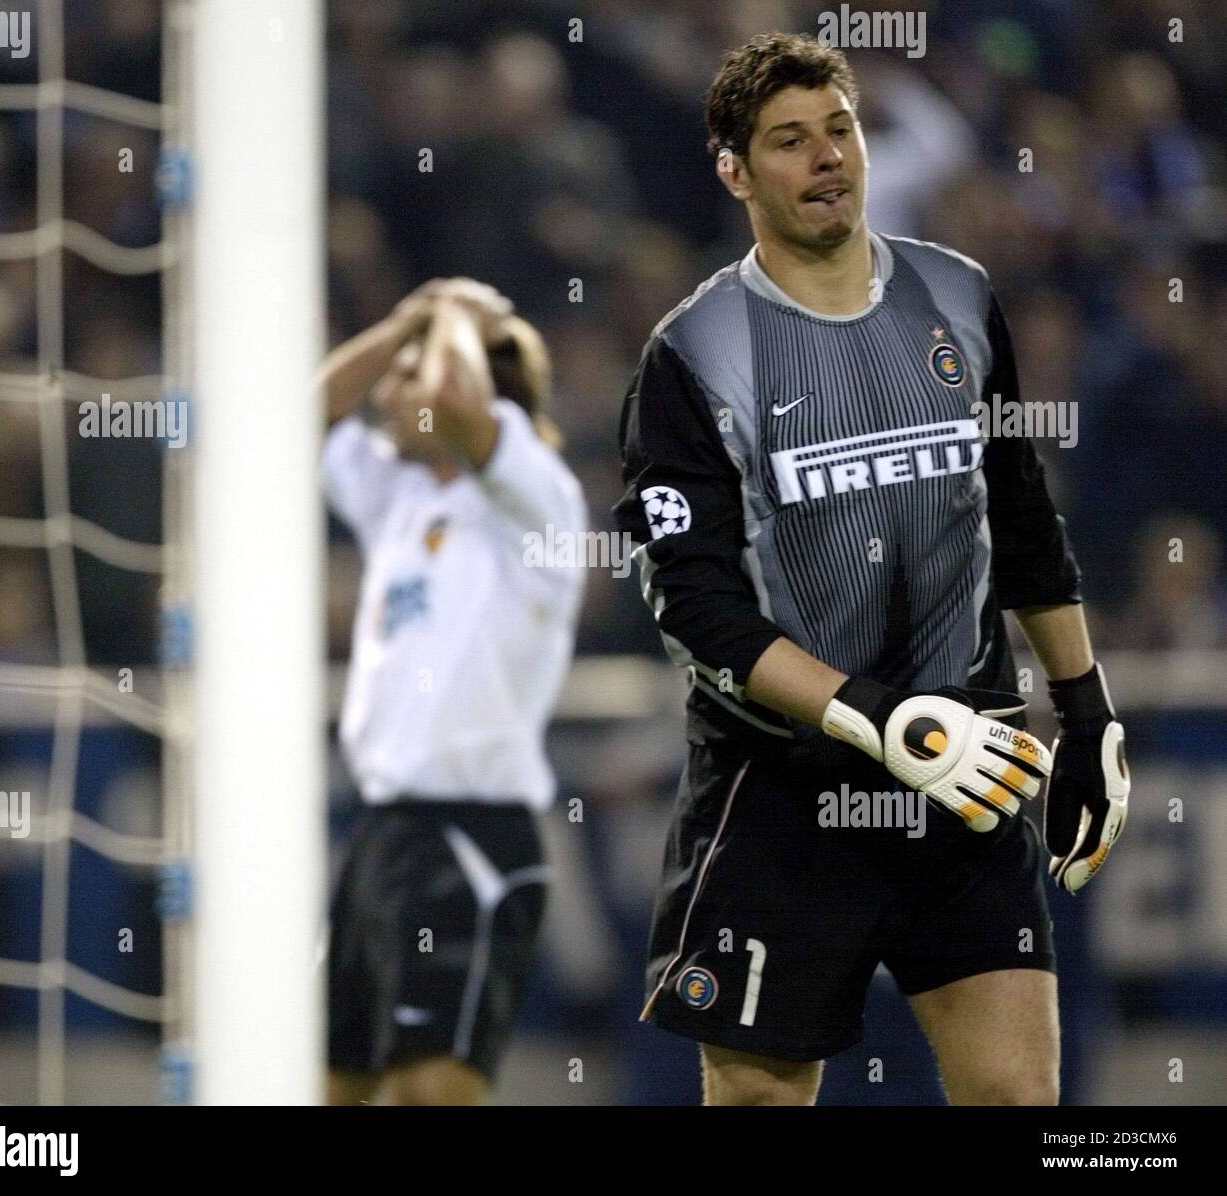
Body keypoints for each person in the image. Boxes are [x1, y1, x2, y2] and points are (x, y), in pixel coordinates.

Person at [615, 33, 1129, 1107]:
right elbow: (697, 608)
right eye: (789, 141)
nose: (826, 159)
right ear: (734, 170)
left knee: (1017, 1093)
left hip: (968, 760)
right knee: (760, 1095)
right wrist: (874, 717)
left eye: (839, 130)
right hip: (783, 786)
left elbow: (1020, 514)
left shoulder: (956, 293)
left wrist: (1086, 711)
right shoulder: (692, 353)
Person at [320, 279, 586, 1105]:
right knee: (328, 1088)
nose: (386, 395)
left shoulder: (532, 496)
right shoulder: (401, 496)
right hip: (383, 840)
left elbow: (452, 398)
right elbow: (308, 414)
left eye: (405, 374)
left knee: (428, 1096)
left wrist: (458, 324)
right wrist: (406, 320)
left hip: (469, 838)